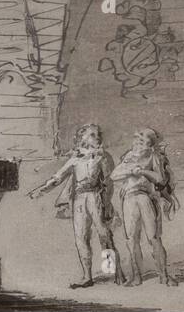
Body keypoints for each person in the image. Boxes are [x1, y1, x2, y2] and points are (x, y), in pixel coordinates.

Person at [27, 122, 124, 289]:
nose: (98, 137)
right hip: (79, 200)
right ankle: (87, 276)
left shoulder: (103, 157)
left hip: (96, 198)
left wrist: (107, 204)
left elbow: (109, 182)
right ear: (82, 137)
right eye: (93, 134)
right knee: (81, 237)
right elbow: (58, 177)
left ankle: (112, 271)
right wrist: (40, 191)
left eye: (98, 134)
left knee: (104, 234)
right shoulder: (75, 159)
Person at [112, 127, 179, 286]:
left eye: (142, 141)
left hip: (145, 198)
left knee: (153, 237)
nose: (137, 143)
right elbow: (114, 175)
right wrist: (129, 171)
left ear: (150, 143)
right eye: (136, 140)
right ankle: (136, 277)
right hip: (129, 199)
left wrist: (142, 172)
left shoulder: (153, 156)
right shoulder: (129, 156)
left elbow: (160, 179)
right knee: (131, 238)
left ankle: (163, 275)